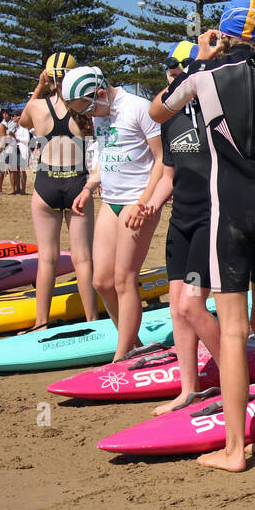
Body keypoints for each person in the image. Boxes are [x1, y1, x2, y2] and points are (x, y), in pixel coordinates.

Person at [149, 0, 255, 471]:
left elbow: (157, 113)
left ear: (225, 35)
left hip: (228, 211)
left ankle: (235, 450)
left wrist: (200, 56)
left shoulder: (201, 78)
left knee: (233, 332)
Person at [142, 39, 227, 415]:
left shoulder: (216, 110)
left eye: (181, 67)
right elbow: (169, 177)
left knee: (192, 307)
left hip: (213, 217)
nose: (174, 74)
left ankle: (233, 378)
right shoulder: (170, 118)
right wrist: (148, 206)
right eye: (171, 68)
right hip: (182, 220)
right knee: (176, 310)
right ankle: (189, 389)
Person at [63, 64, 164, 359]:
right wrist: (88, 188)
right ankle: (131, 343)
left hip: (138, 202)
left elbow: (161, 160)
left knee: (124, 278)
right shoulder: (100, 114)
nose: (88, 116)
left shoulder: (139, 108)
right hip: (111, 201)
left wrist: (144, 202)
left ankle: (122, 353)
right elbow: (105, 157)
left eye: (87, 108)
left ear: (101, 94)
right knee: (102, 281)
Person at [17, 52, 99, 332]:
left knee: (47, 258)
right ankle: (93, 321)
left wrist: (40, 87)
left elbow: (23, 122)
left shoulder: (37, 107)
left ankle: (41, 322)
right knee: (83, 259)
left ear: (47, 75)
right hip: (77, 182)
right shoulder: (84, 108)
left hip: (46, 183)